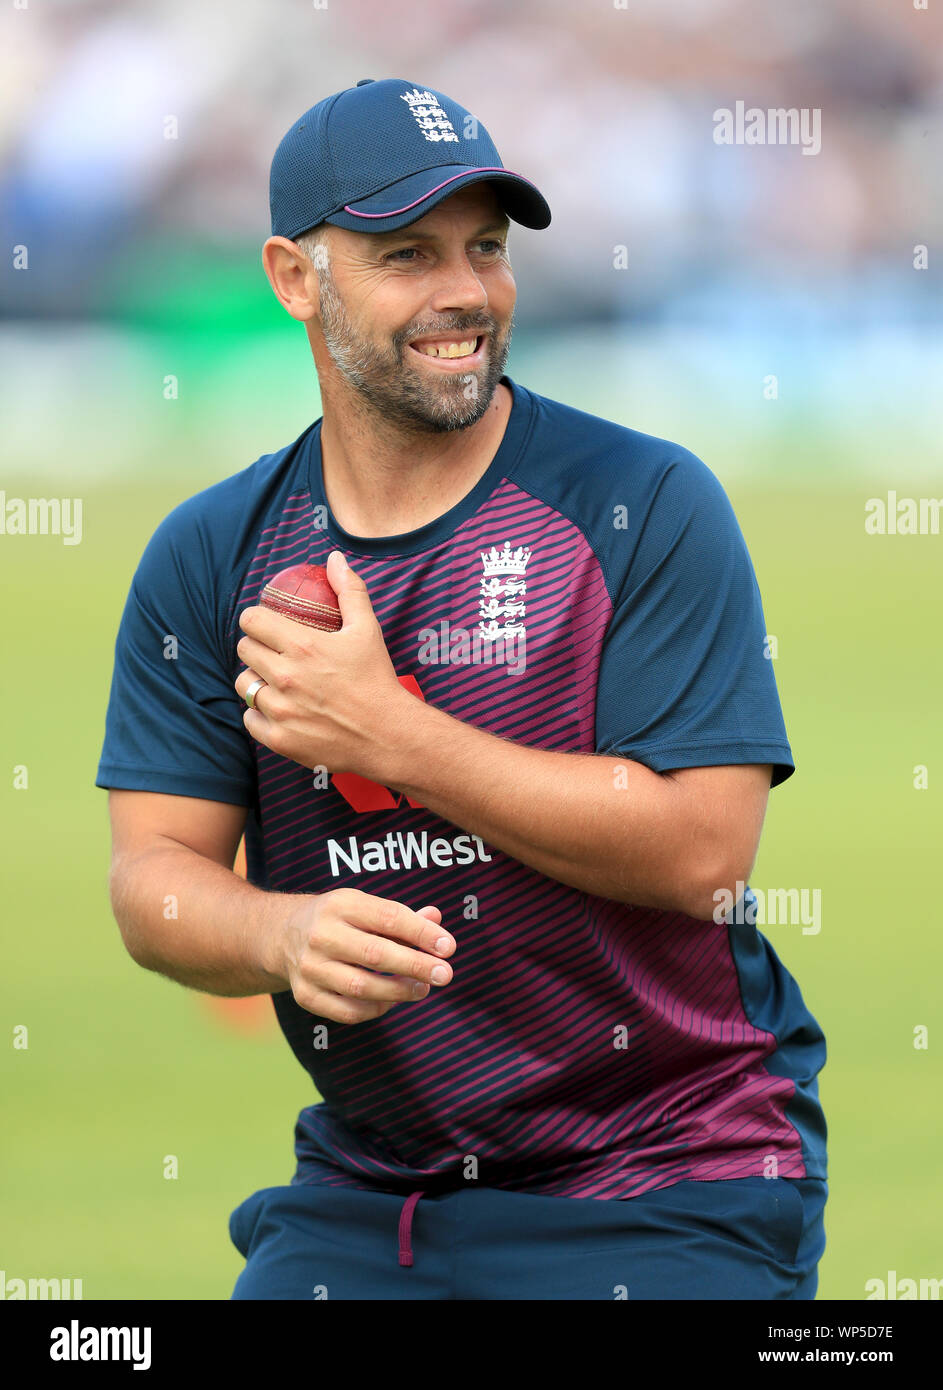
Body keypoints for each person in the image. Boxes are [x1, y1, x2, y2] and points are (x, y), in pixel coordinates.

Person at [97, 78, 827, 1300]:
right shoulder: (212, 554)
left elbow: (706, 848)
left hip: (672, 1173)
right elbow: (151, 880)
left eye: (485, 249)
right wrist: (279, 933)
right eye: (406, 254)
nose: (464, 294)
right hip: (376, 1194)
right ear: (293, 277)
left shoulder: (639, 503)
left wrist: (392, 734)